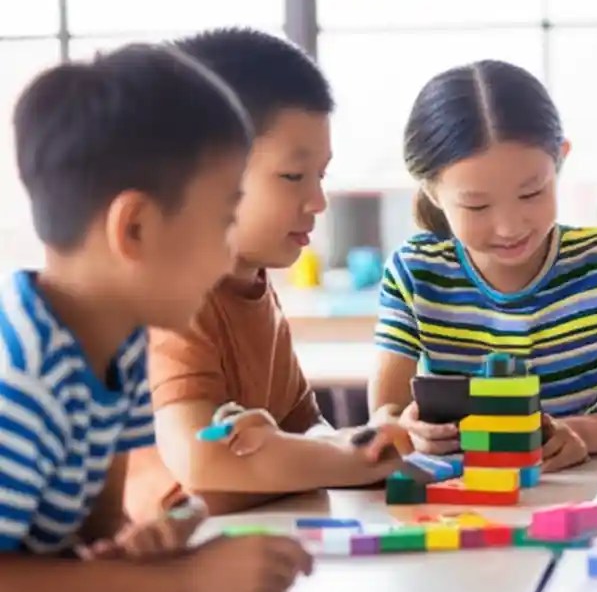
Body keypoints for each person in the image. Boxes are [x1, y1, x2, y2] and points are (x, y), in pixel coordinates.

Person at [0, 44, 311, 592]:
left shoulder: (116, 348)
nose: (227, 259)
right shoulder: (22, 372)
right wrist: (187, 585)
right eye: (222, 222)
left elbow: (88, 545)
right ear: (136, 228)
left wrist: (154, 540)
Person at [123, 28, 408, 520]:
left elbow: (305, 427)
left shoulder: (253, 286)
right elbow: (202, 462)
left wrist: (364, 444)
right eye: (293, 177)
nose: (318, 202)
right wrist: (348, 458)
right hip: (172, 567)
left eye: (322, 175)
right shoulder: (173, 297)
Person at [369, 60, 597, 472]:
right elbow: (384, 416)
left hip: (585, 488)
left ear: (560, 160)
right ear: (432, 191)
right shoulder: (416, 273)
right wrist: (408, 429)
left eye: (532, 193)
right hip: (462, 496)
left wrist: (581, 434)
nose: (509, 227)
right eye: (477, 205)